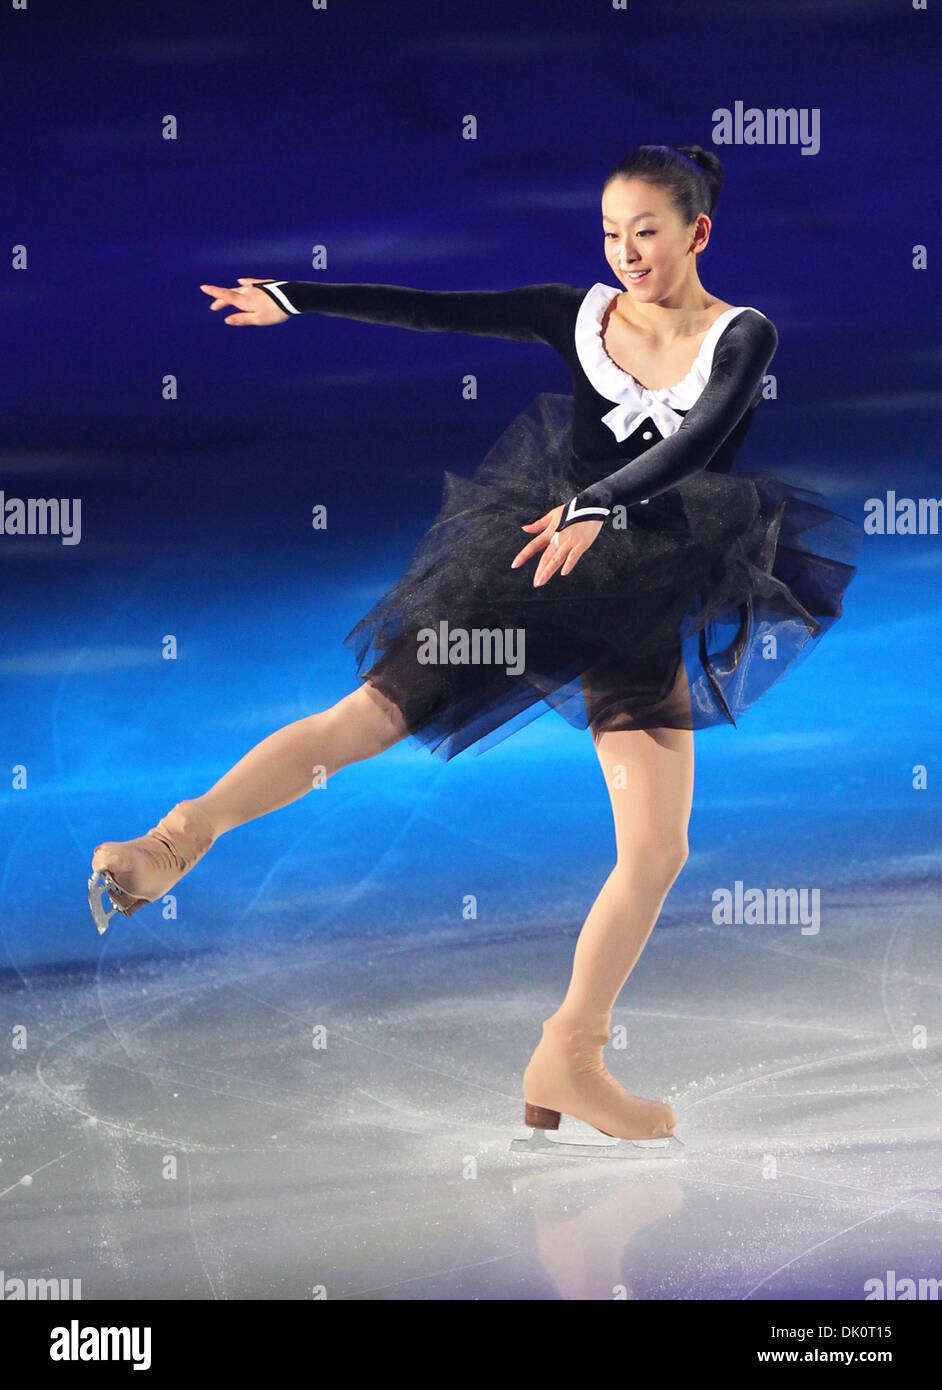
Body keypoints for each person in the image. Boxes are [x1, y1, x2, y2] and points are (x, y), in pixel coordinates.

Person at [88, 144, 861, 1146]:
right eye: (611, 234)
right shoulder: (576, 314)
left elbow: (699, 441)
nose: (626, 253)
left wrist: (601, 502)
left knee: (657, 848)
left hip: (639, 596)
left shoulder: (740, 335)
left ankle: (568, 1055)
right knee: (361, 719)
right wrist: (295, 295)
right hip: (534, 572)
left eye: (648, 233)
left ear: (698, 233)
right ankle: (175, 839)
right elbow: (434, 307)